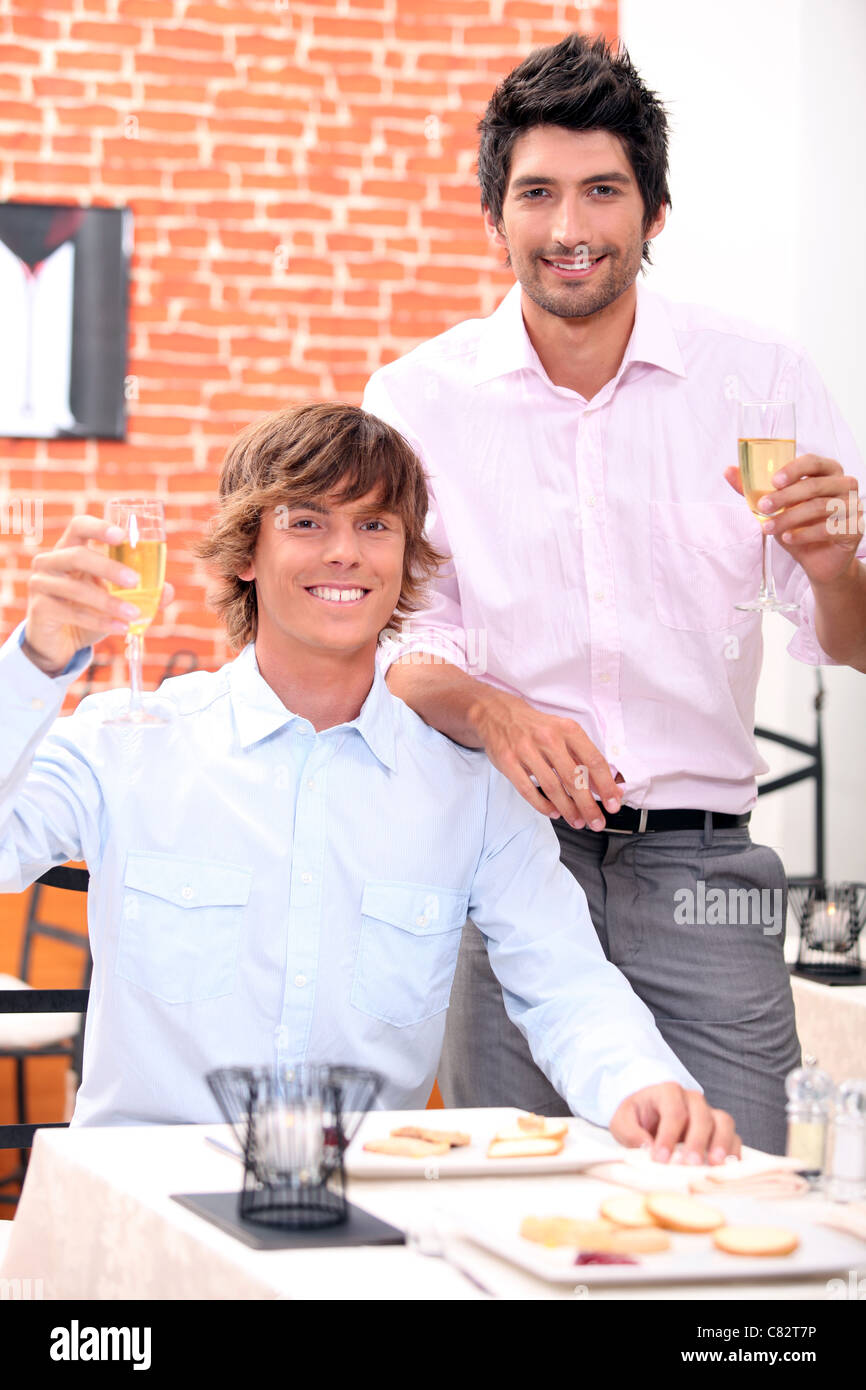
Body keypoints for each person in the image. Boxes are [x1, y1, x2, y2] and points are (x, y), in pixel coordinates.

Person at [362, 34, 866, 1153]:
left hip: (705, 871)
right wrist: (491, 710)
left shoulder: (760, 381)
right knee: (510, 1197)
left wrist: (835, 570)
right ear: (493, 215)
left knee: (752, 1197)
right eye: (536, 193)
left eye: (603, 190)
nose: (570, 228)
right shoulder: (416, 398)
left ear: (654, 210)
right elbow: (394, 647)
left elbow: (850, 638)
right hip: (508, 854)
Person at [0, 402, 738, 1160]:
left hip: (357, 1212)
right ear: (246, 553)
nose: (345, 552)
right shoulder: (126, 745)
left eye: (376, 525)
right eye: (308, 522)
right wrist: (33, 662)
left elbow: (564, 981)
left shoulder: (470, 791)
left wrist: (643, 1088)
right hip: (146, 1200)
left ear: (407, 559)